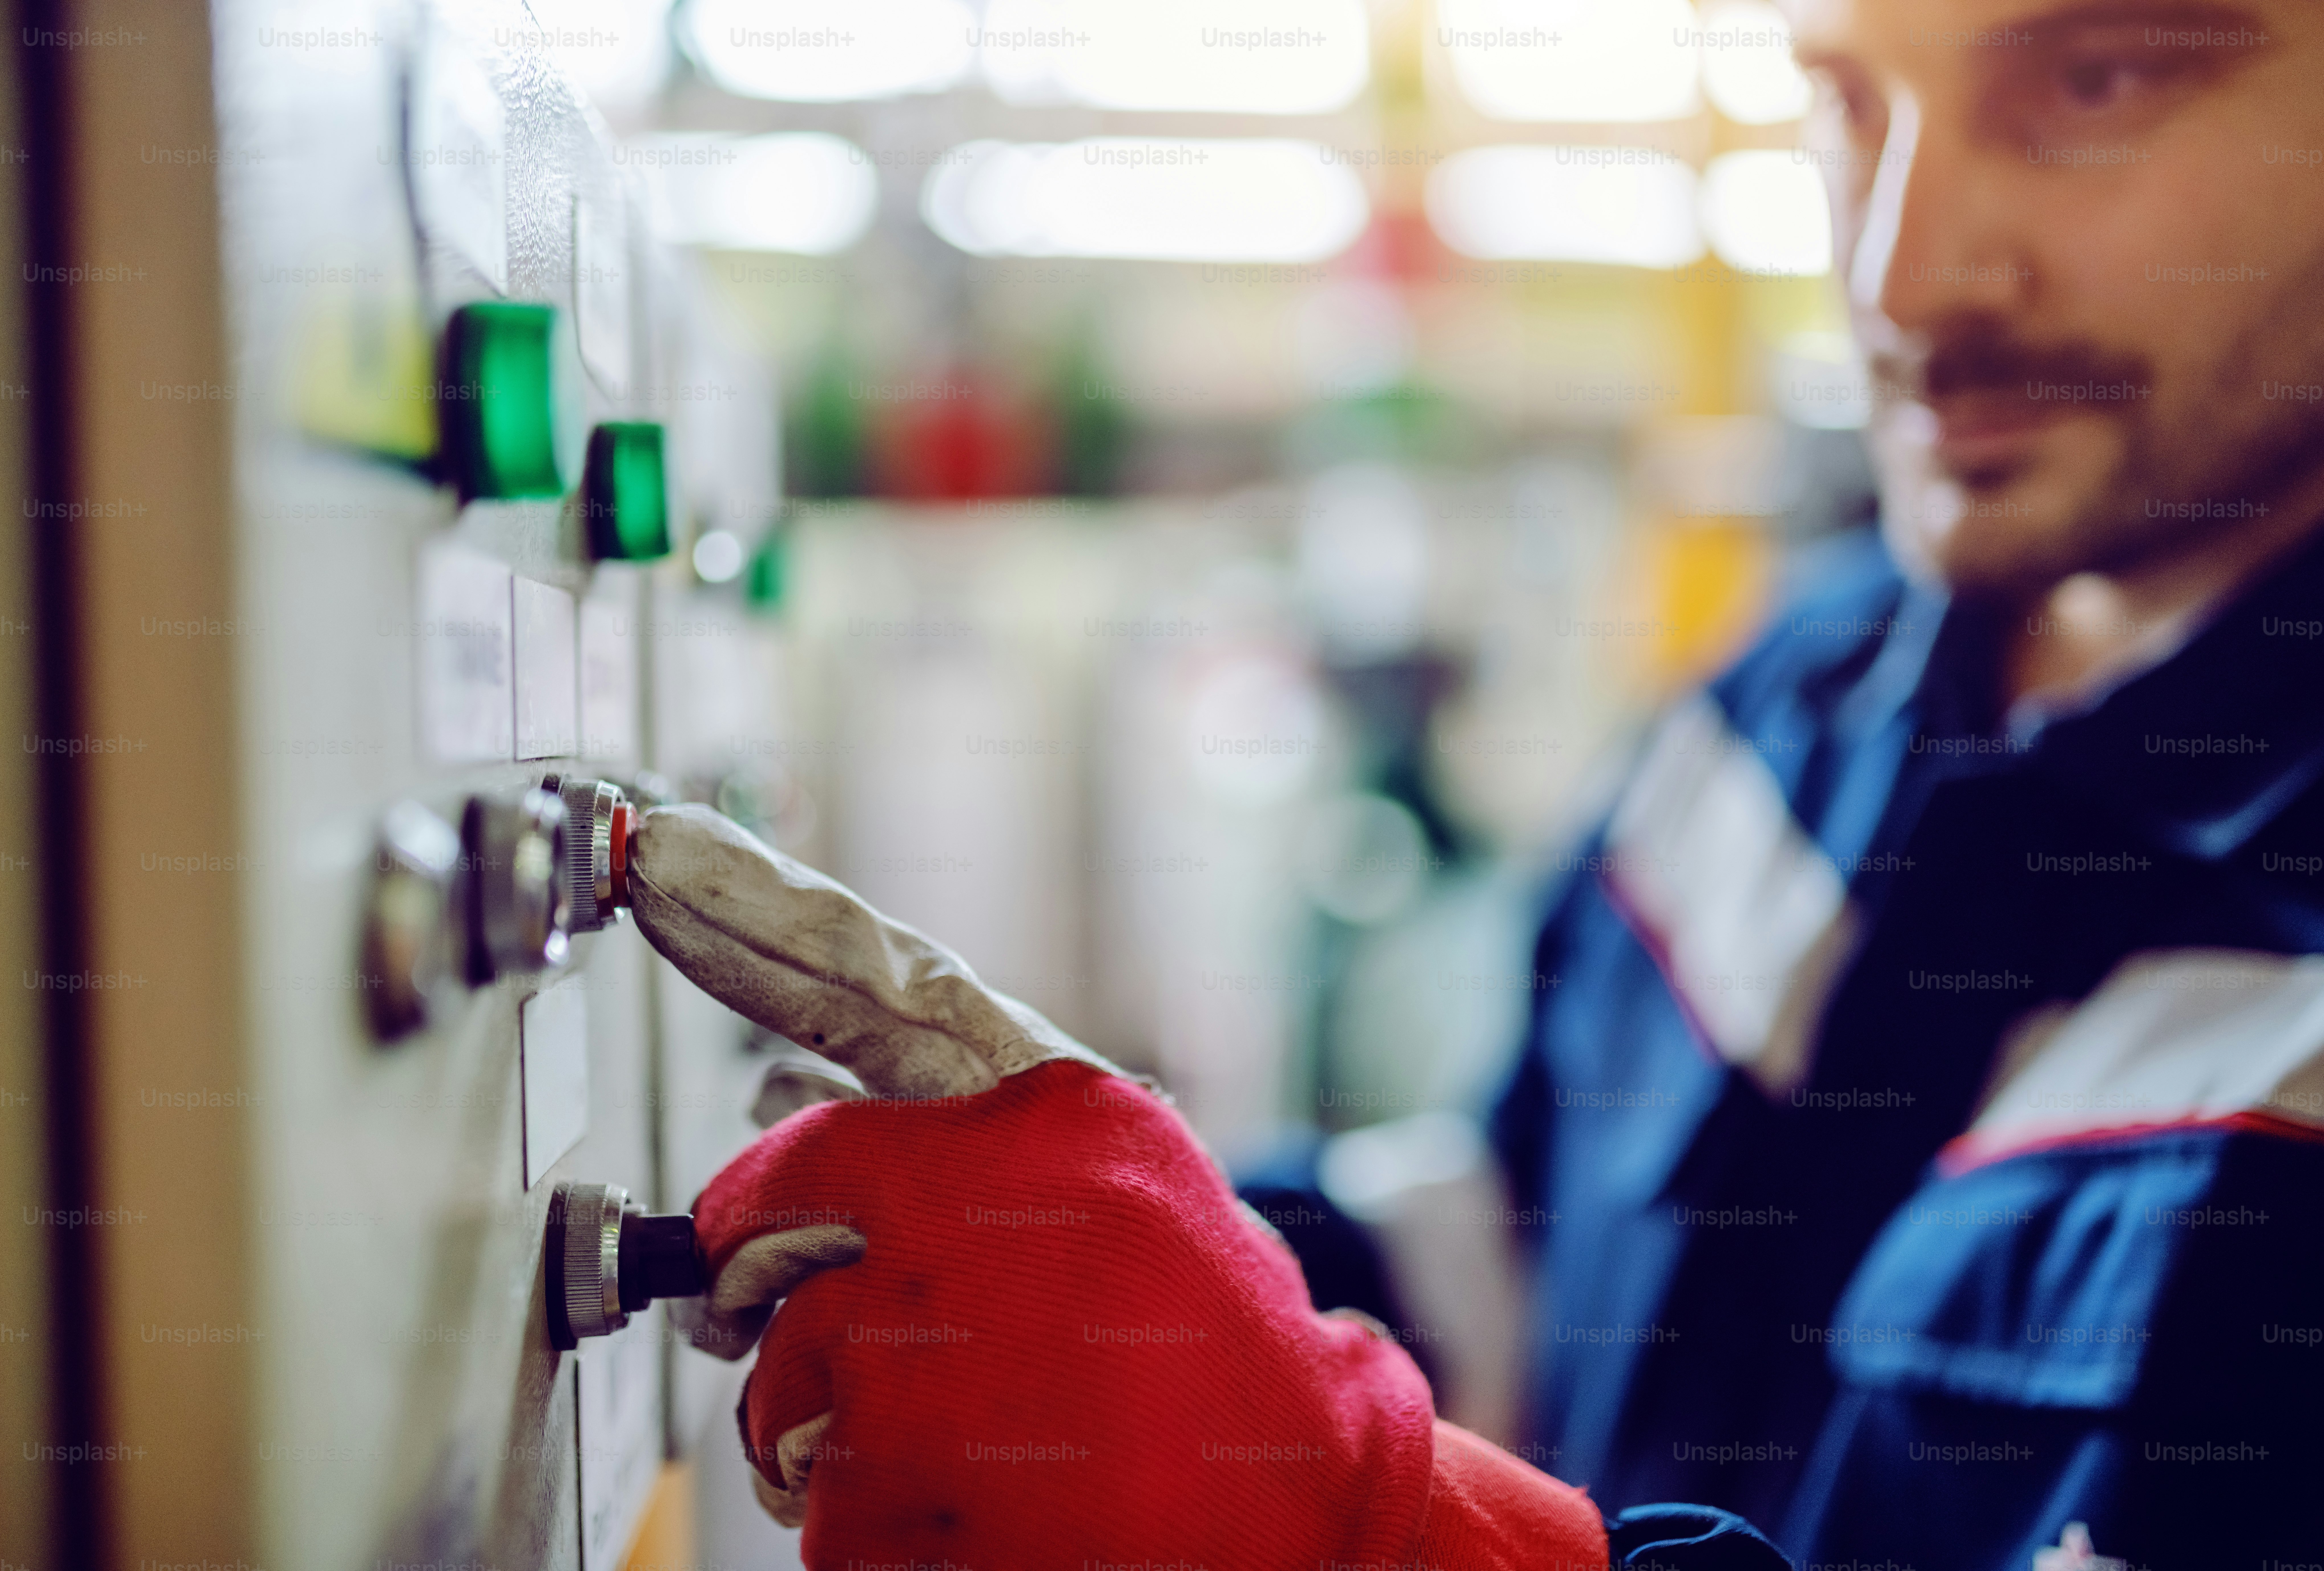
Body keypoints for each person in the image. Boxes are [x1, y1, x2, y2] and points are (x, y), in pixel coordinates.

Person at [633, 0, 2324, 1563]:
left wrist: (1356, 1517)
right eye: (1847, 101)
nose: (1905, 273)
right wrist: (1136, 1280)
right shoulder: (1782, 711)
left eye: (2101, 82)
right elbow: (1516, 1259)